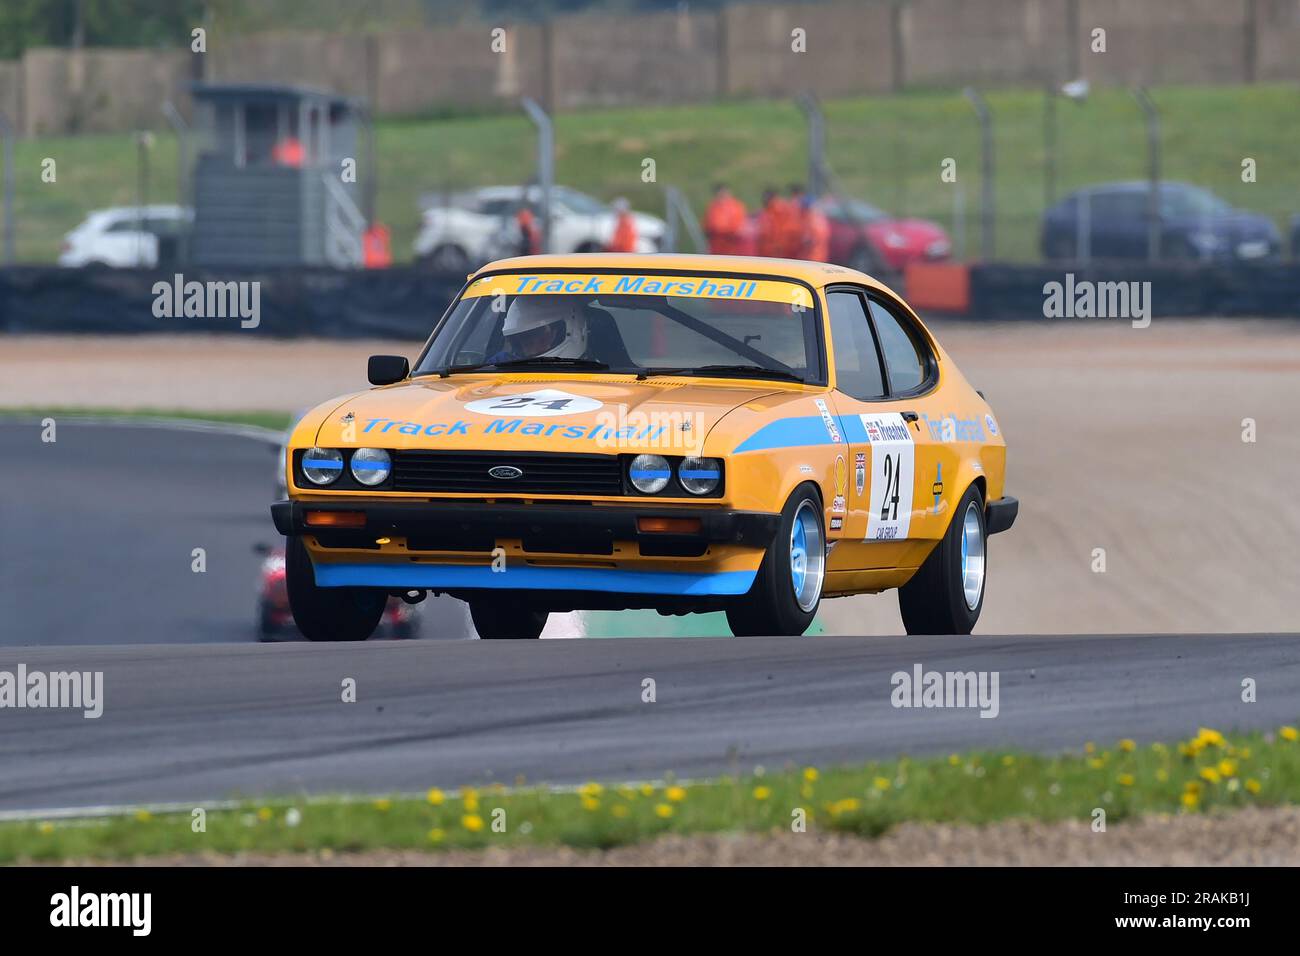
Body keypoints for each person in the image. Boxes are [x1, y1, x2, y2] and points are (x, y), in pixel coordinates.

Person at [491, 296, 591, 363]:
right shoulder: (501, 363)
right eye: (521, 335)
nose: (526, 341)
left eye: (535, 332)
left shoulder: (595, 374)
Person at [703, 183, 748, 255]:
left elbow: (739, 227)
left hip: (731, 248)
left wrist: (722, 230)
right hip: (716, 247)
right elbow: (707, 225)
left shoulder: (736, 206)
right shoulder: (713, 206)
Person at [756, 187, 789, 258]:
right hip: (766, 248)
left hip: (776, 249)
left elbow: (781, 231)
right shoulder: (766, 212)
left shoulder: (780, 211)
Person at [799, 194, 830, 262]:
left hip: (812, 257)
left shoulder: (812, 220)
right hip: (819, 256)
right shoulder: (820, 218)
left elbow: (808, 240)